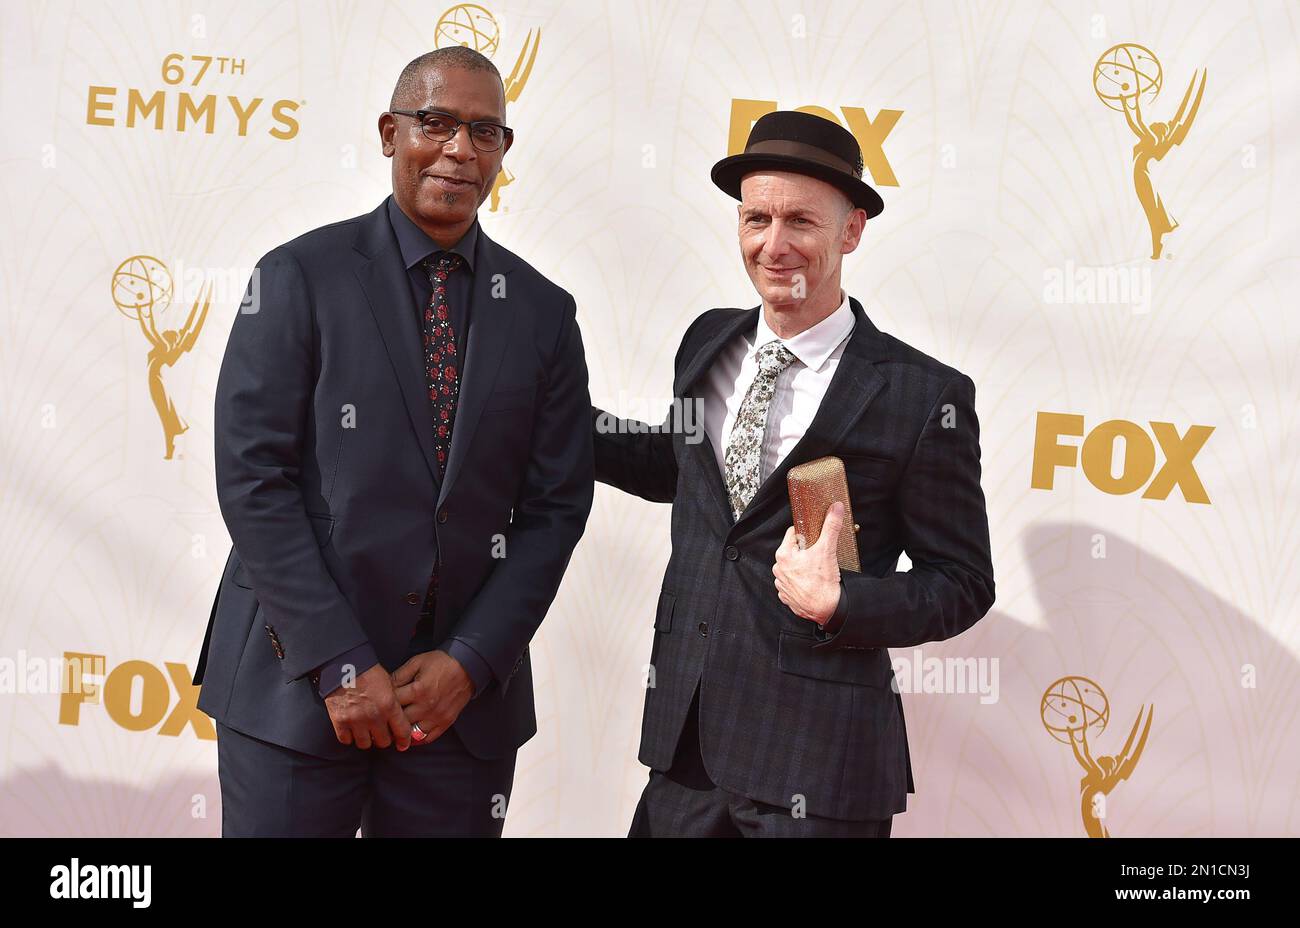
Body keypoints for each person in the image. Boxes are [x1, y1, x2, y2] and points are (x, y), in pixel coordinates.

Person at [193, 46, 593, 837]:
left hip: (458, 717)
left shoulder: (544, 313)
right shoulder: (299, 277)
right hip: (293, 692)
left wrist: (472, 663)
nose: (458, 150)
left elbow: (554, 510)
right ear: (389, 133)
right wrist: (338, 661)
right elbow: (254, 481)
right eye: (436, 123)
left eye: (485, 133)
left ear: (503, 152)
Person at [593, 110, 995, 837]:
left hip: (819, 764)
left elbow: (963, 582)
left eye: (800, 222)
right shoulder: (707, 340)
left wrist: (843, 604)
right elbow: (682, 469)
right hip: (685, 747)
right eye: (756, 219)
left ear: (851, 231)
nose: (773, 246)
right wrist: (555, 416)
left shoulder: (921, 393)